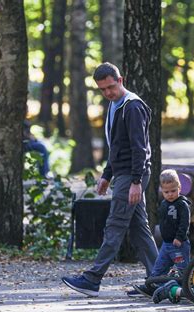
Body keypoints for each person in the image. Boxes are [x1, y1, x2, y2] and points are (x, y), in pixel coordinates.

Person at [62, 62, 158, 297]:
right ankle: (159, 280)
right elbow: (117, 147)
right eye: (102, 90)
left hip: (132, 174)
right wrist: (106, 175)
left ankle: (92, 279)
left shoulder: (132, 107)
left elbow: (140, 149)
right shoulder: (116, 106)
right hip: (124, 173)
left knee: (115, 225)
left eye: (110, 87)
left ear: (121, 80)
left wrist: (136, 181)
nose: (107, 93)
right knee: (138, 228)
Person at [131, 169, 191, 297]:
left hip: (179, 245)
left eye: (173, 191)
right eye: (166, 192)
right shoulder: (164, 203)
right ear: (161, 190)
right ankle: (152, 285)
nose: (170, 194)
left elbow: (184, 223)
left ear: (179, 187)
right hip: (166, 245)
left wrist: (179, 237)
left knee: (183, 269)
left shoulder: (182, 204)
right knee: (158, 267)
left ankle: (187, 290)